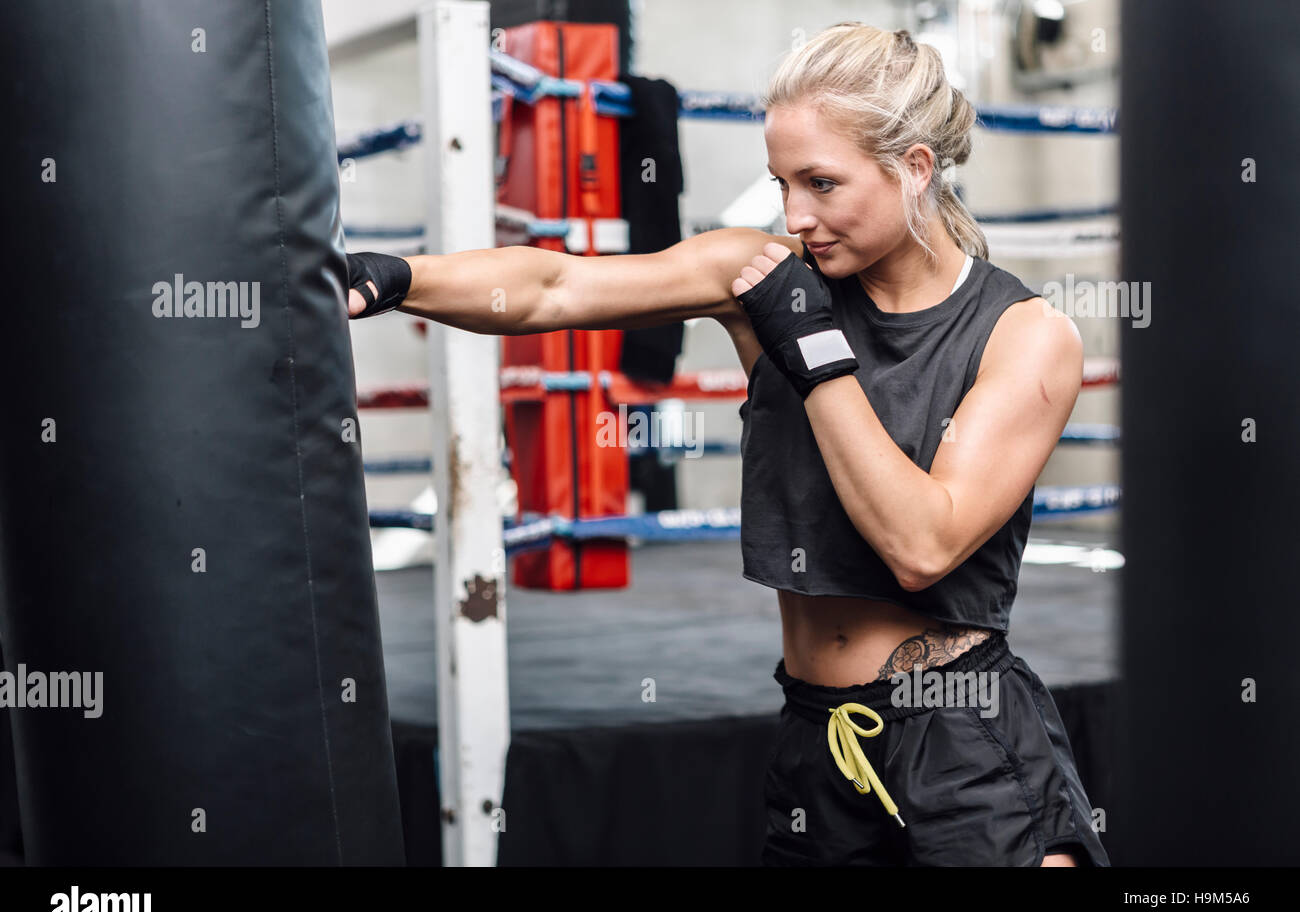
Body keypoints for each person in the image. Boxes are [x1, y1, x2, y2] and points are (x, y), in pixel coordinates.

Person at [346, 22, 1110, 867]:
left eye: (823, 183)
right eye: (782, 183)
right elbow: (554, 288)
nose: (796, 216)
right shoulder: (766, 277)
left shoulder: (1024, 336)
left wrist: (816, 356)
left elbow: (921, 544)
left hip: (962, 745)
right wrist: (399, 278)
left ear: (916, 169)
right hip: (813, 741)